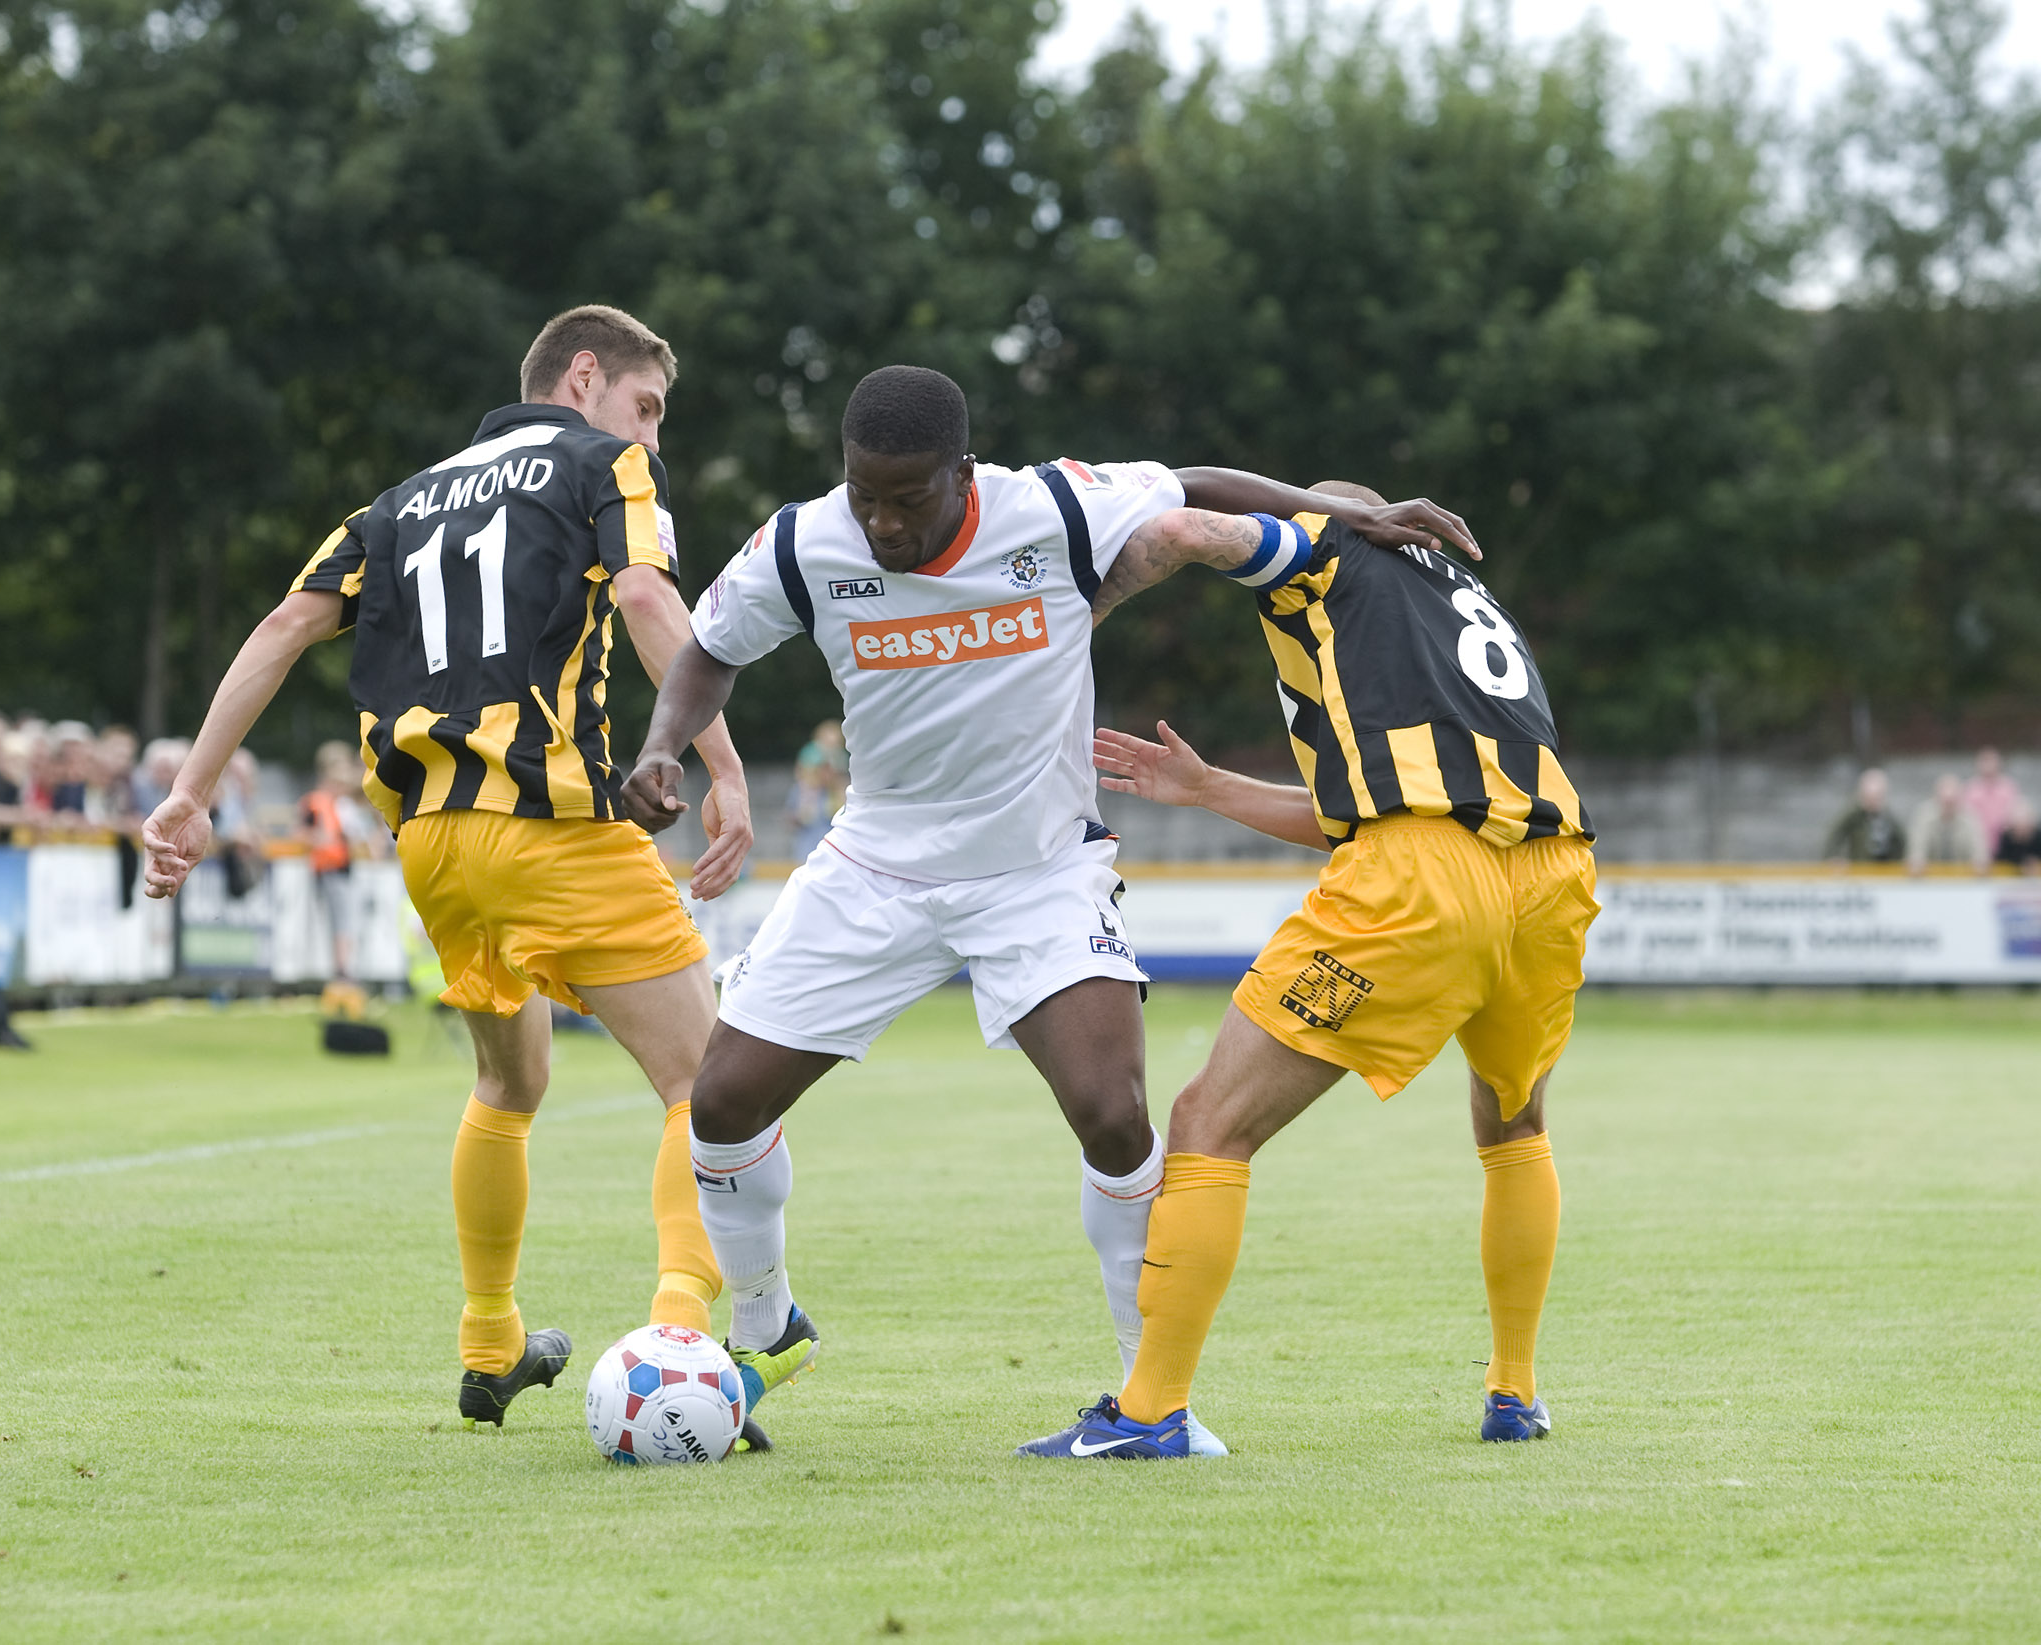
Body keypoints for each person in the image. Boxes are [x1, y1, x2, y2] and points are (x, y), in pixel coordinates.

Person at [624, 365, 1474, 1435]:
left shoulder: (1052, 508)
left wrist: (1336, 508)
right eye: (864, 496)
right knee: (722, 1104)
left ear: (962, 473)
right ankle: (765, 1328)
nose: (882, 522)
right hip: (875, 867)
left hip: (1036, 872)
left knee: (1114, 1114)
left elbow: (1188, 482)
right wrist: (662, 748)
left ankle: (1146, 1401)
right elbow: (707, 648)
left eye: (907, 498)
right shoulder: (805, 542)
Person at [142, 302, 792, 1438]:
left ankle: (491, 1344)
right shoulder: (607, 466)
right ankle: (683, 1334)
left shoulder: (391, 505)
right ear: (584, 377)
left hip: (436, 844)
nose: (654, 436)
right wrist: (722, 764)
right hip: (553, 825)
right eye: (647, 406)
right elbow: (646, 597)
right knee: (713, 1088)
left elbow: (284, 627)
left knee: (508, 1084)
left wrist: (190, 792)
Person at [1015, 479, 1593, 1459]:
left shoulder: (1326, 547)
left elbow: (1188, 525)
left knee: (1208, 1125)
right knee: (1515, 1118)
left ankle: (1150, 1411)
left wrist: (1067, 613)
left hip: (1420, 887)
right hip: (1552, 876)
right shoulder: (1454, 595)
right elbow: (1357, 802)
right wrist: (1208, 789)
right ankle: (1516, 1392)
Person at [295, 741, 384, 980]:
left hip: (342, 867)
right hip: (327, 868)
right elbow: (302, 833)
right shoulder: (316, 802)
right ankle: (341, 971)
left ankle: (343, 969)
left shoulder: (342, 804)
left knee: (345, 920)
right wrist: (321, 839)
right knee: (340, 920)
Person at [785, 719, 848, 859]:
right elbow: (792, 818)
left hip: (834, 852)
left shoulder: (842, 792)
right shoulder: (802, 791)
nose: (828, 772)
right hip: (807, 849)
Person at [1906, 774, 1986, 875]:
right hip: (1930, 880)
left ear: (1959, 800)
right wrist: (1916, 862)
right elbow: (1916, 850)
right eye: (1945, 802)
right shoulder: (1923, 816)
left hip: (1962, 879)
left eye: (1952, 802)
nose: (1948, 806)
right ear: (1936, 798)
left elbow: (1980, 852)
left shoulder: (1971, 817)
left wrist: (1980, 863)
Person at [1824, 768, 1904, 865]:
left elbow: (1901, 841)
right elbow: (1834, 835)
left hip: (1885, 870)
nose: (1873, 801)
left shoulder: (1889, 817)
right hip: (1860, 868)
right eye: (1869, 796)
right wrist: (1832, 857)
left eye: (1877, 796)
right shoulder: (1854, 815)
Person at [1965, 748, 2023, 860]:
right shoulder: (1970, 789)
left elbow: (2014, 815)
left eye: (1992, 761)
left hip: (2005, 845)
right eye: (1985, 761)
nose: (1989, 765)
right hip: (1977, 846)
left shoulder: (2009, 787)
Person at [1993, 802, 2041, 874]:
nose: (2022, 830)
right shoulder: (2007, 837)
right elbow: (2000, 860)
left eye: (2026, 826)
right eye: (2018, 827)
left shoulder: (2038, 837)